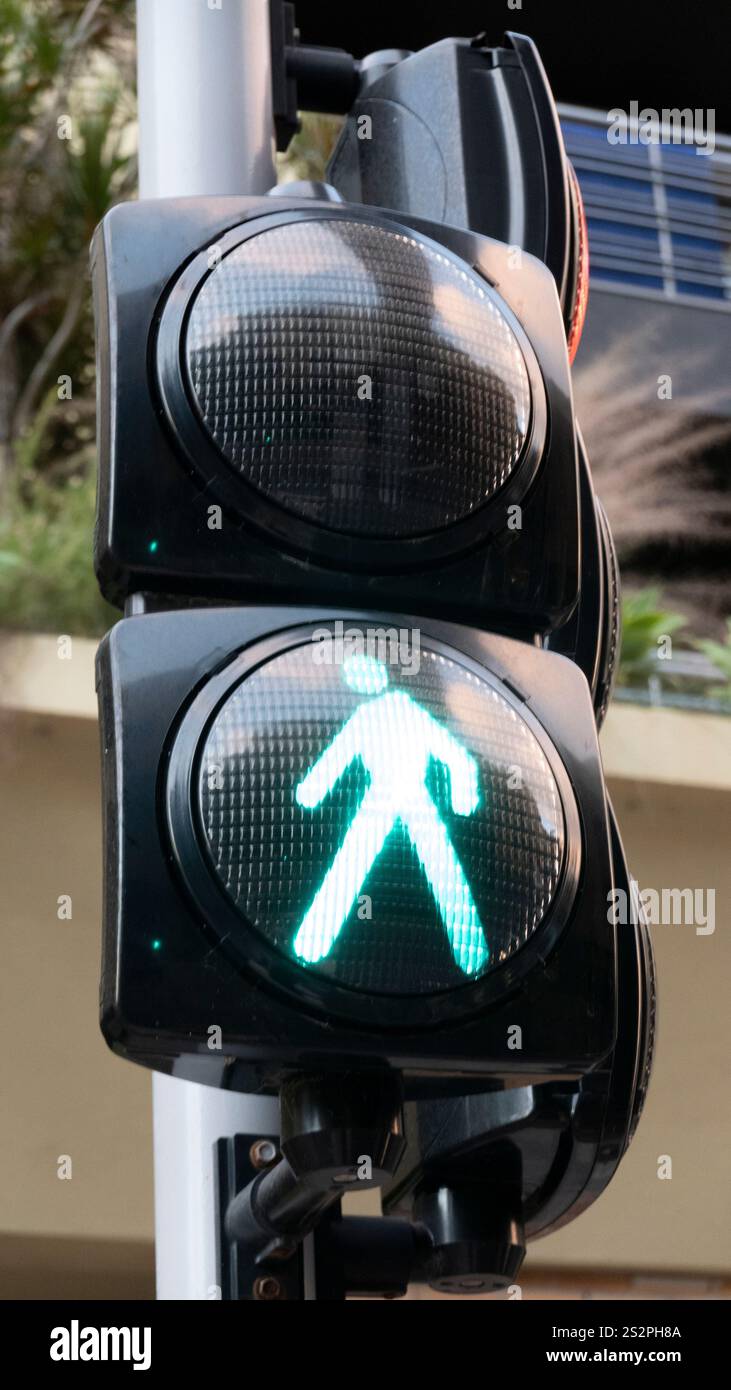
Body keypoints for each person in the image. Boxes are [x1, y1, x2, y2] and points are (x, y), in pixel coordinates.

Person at [294, 652, 488, 975]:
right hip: (388, 795)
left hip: (405, 794)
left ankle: (473, 955)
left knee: (435, 872)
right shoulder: (372, 714)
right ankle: (473, 955)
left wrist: (463, 797)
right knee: (435, 871)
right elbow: (337, 757)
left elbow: (456, 756)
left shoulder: (398, 712)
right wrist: (311, 791)